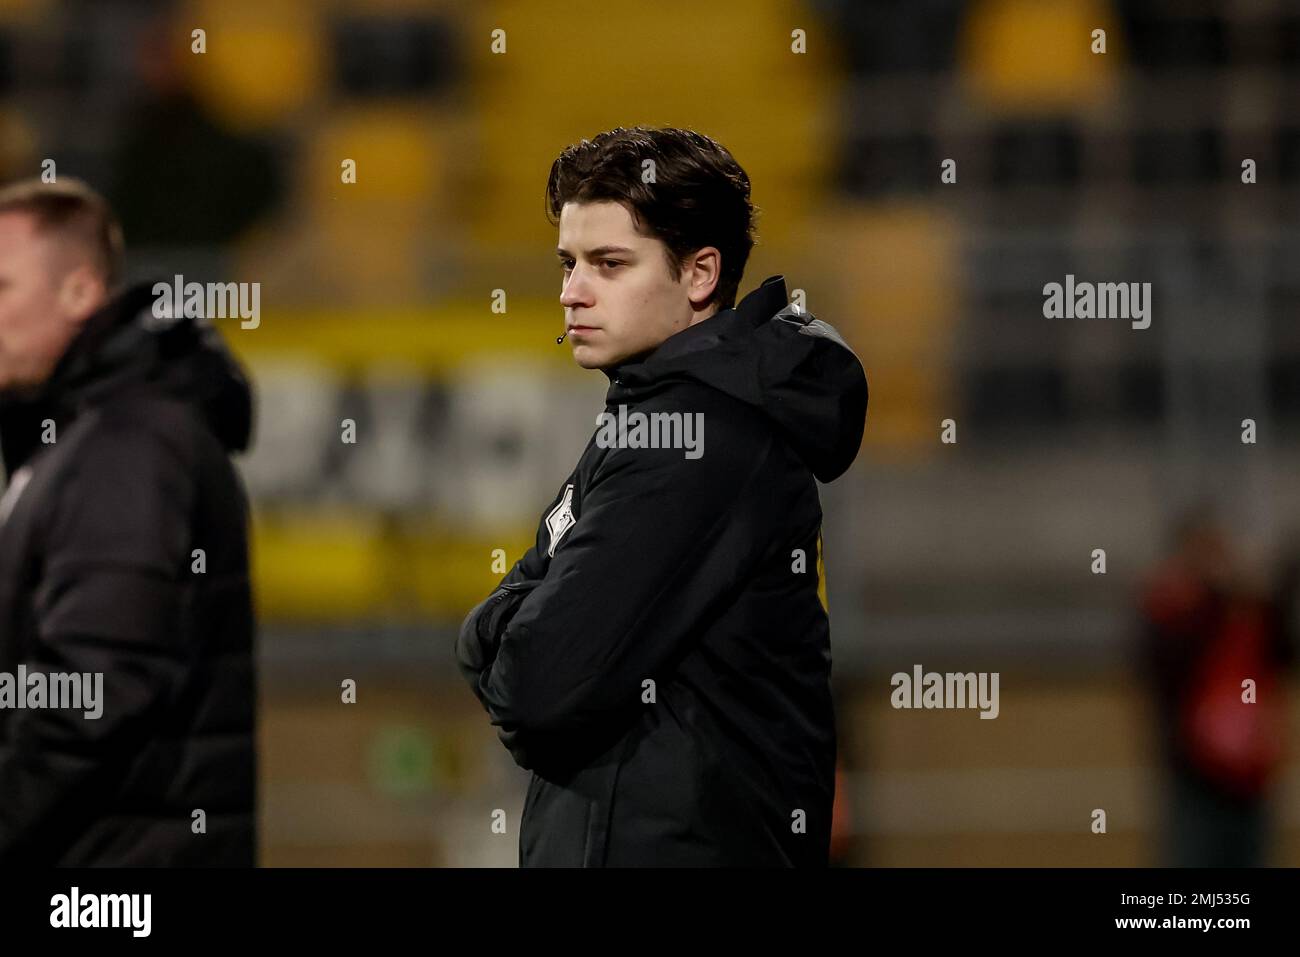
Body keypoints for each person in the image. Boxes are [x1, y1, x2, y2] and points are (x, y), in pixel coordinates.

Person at [456, 127, 869, 866]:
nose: (571, 292)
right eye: (568, 263)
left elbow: (536, 682)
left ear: (700, 274)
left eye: (609, 264)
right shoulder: (661, 418)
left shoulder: (695, 438)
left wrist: (493, 629)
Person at [0, 178, 256, 865]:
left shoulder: (129, 440)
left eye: (2, 288)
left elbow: (94, 689)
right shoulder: (85, 433)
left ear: (80, 292)